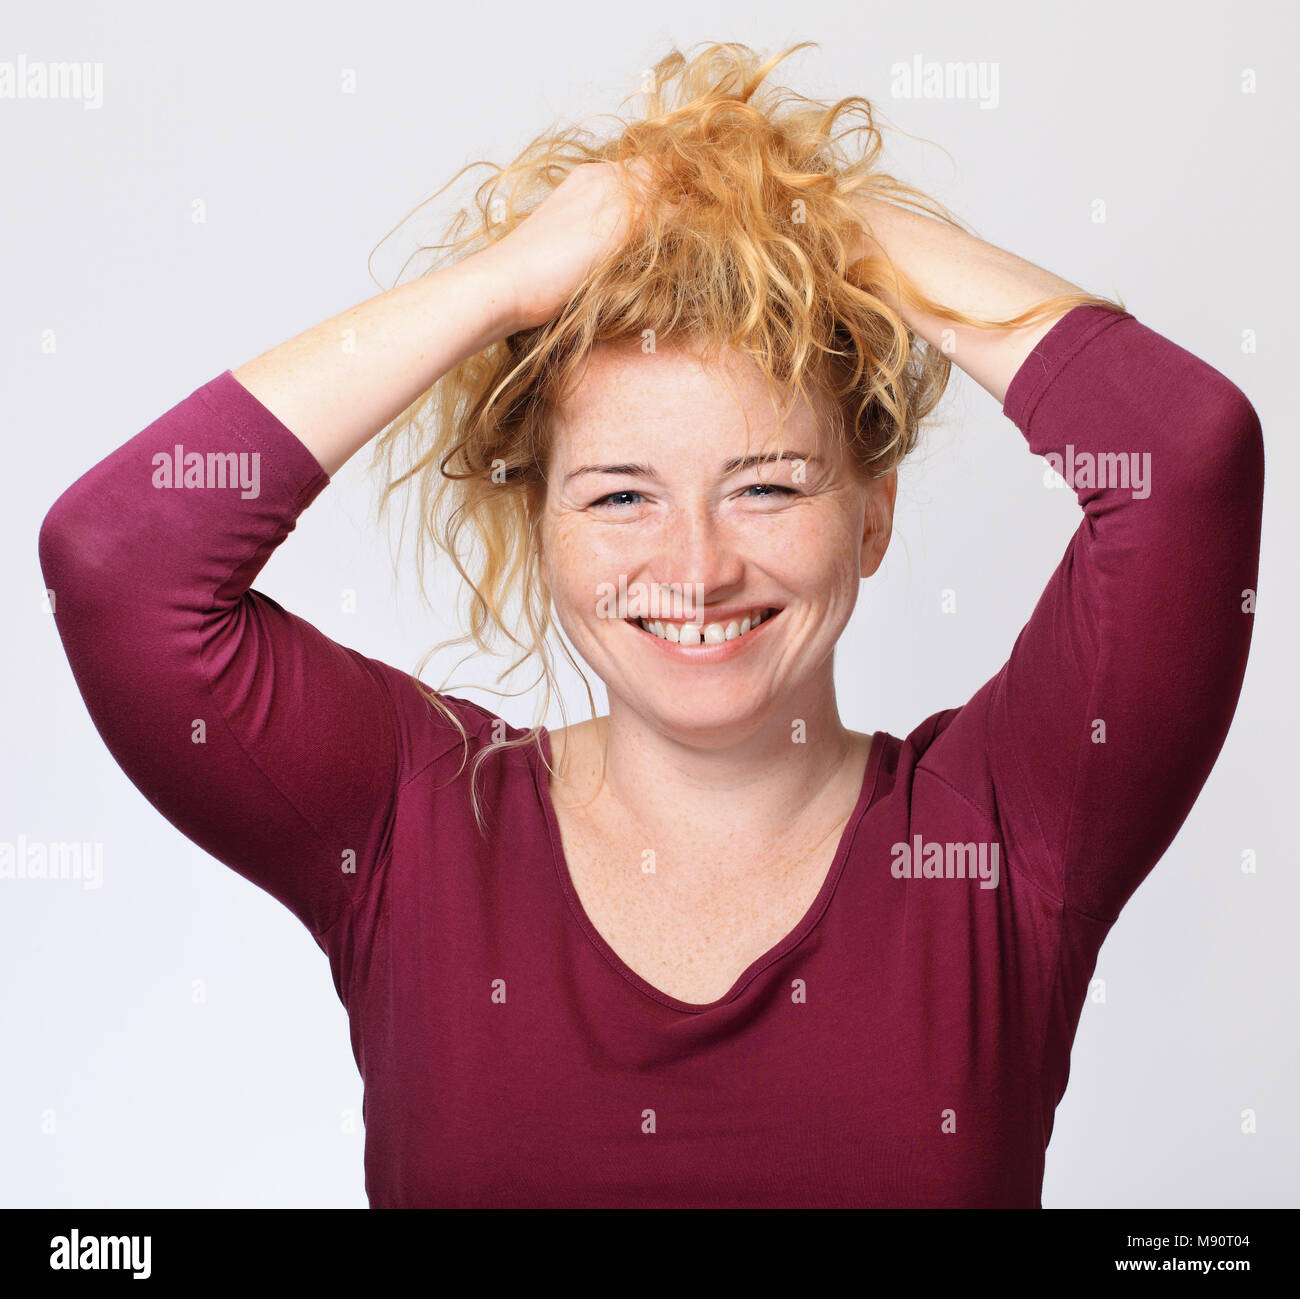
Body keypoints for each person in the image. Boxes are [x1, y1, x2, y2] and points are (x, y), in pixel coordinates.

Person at [38, 43, 1263, 1207]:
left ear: (872, 516)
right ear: (542, 525)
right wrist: (497, 285)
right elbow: (116, 568)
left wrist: (808, 211)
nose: (696, 566)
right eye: (620, 494)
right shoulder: (410, 822)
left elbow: (1184, 454)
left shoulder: (1004, 835)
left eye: (767, 485)